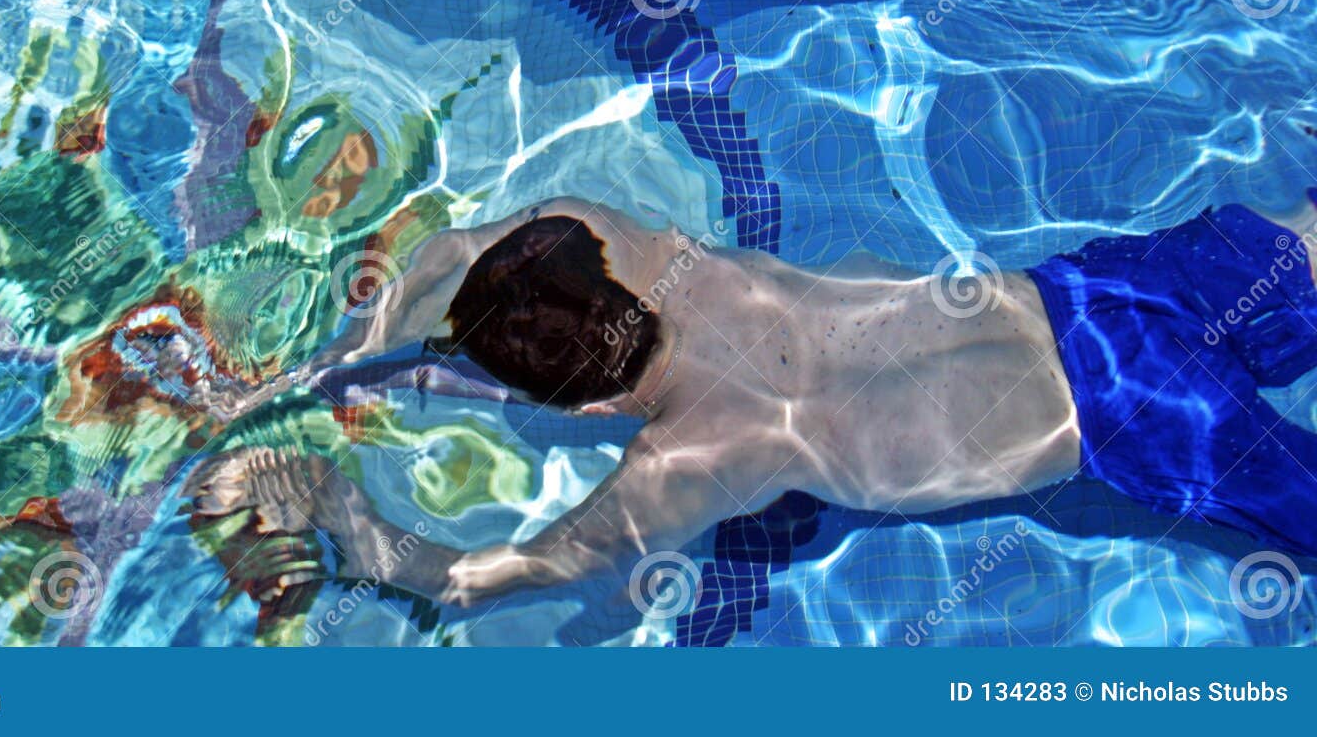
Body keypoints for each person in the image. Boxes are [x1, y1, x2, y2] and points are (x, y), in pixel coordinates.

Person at [192, 193, 1317, 608]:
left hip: (1136, 421)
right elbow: (459, 245)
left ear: (585, 416)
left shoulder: (692, 460)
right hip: (1081, 302)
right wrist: (352, 348)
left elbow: (491, 579)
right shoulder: (655, 247)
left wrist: (344, 515)